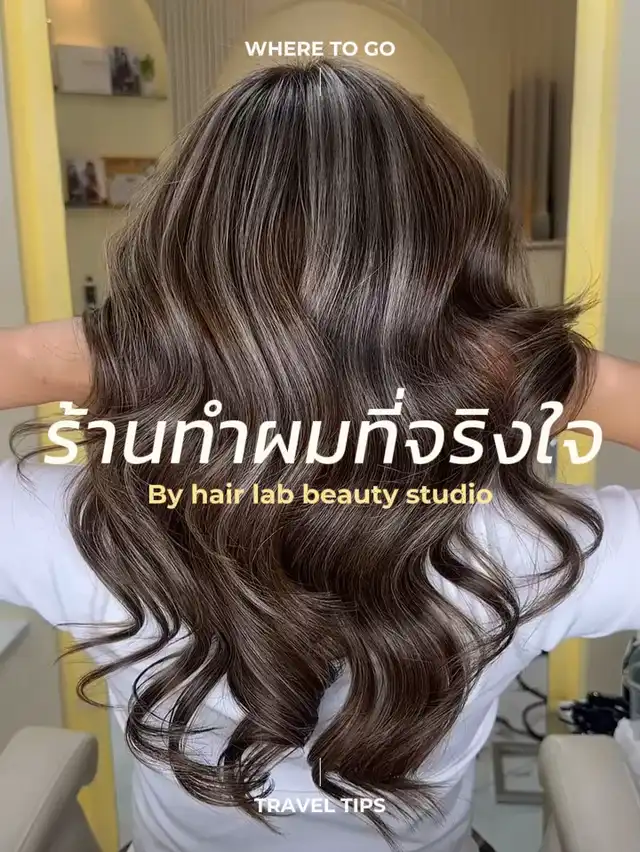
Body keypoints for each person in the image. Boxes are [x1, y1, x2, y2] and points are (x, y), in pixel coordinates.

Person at [1, 60, 640, 852]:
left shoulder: (81, 528)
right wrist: (556, 376)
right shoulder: (531, 545)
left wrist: (71, 359)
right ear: (459, 287)